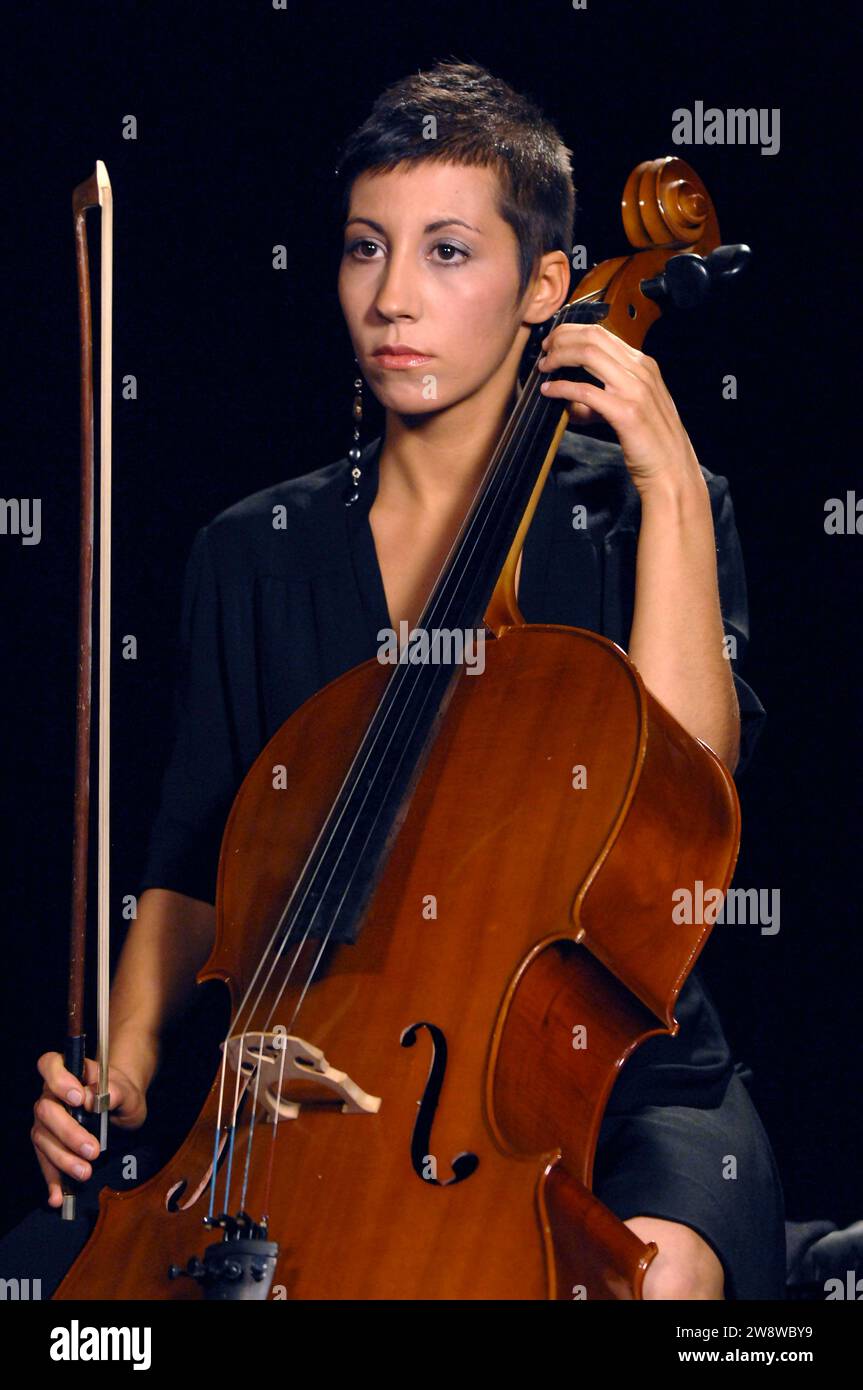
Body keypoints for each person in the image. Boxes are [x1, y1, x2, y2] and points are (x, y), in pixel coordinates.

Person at [14, 59, 787, 1300]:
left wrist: (670, 485)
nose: (390, 299)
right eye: (364, 249)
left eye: (445, 253)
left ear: (546, 288)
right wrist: (120, 1067)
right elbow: (185, 866)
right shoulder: (249, 551)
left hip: (609, 1084)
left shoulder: (639, 518)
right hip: (283, 1084)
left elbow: (685, 783)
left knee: (656, 1288)